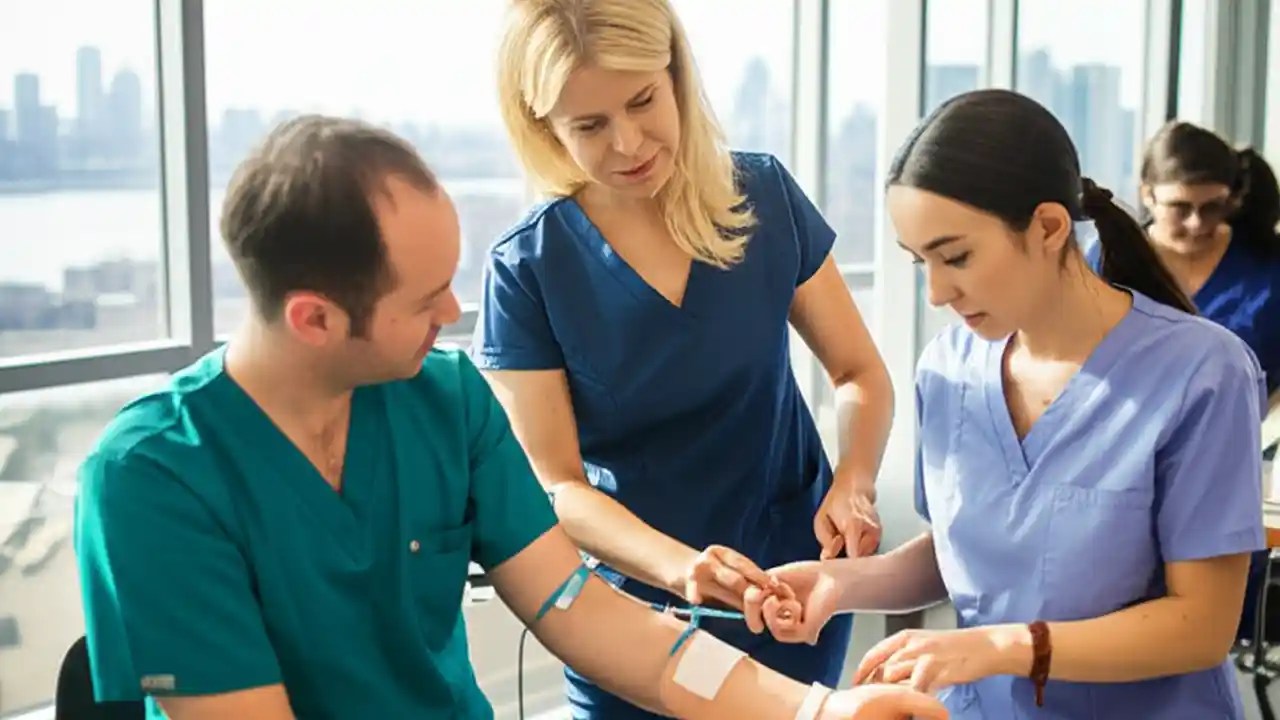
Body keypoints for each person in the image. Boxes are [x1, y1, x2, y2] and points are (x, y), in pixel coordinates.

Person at [72, 116, 947, 720]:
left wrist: (816, 707)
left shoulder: (446, 403)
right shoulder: (152, 477)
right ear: (315, 318)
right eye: (423, 299)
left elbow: (591, 616)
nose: (454, 309)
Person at [742, 89, 1268, 719]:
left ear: (1047, 227)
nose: (937, 292)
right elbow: (964, 552)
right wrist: (840, 583)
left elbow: (1201, 626)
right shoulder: (947, 369)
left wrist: (1002, 647)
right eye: (920, 264)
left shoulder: (1203, 373)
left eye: (956, 256)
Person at [474, 1, 894, 716]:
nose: (627, 143)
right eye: (589, 126)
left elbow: (858, 373)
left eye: (642, 101)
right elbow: (559, 487)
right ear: (546, 127)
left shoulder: (762, 195)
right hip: (640, 613)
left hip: (789, 585)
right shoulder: (528, 266)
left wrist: (854, 481)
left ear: (676, 76)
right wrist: (682, 570)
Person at [1092, 120, 1280, 641]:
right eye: (1180, 207)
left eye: (1214, 206)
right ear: (1146, 193)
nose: (1197, 222)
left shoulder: (1268, 267)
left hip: (1239, 473)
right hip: (1123, 470)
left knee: (1208, 626)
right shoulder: (1105, 263)